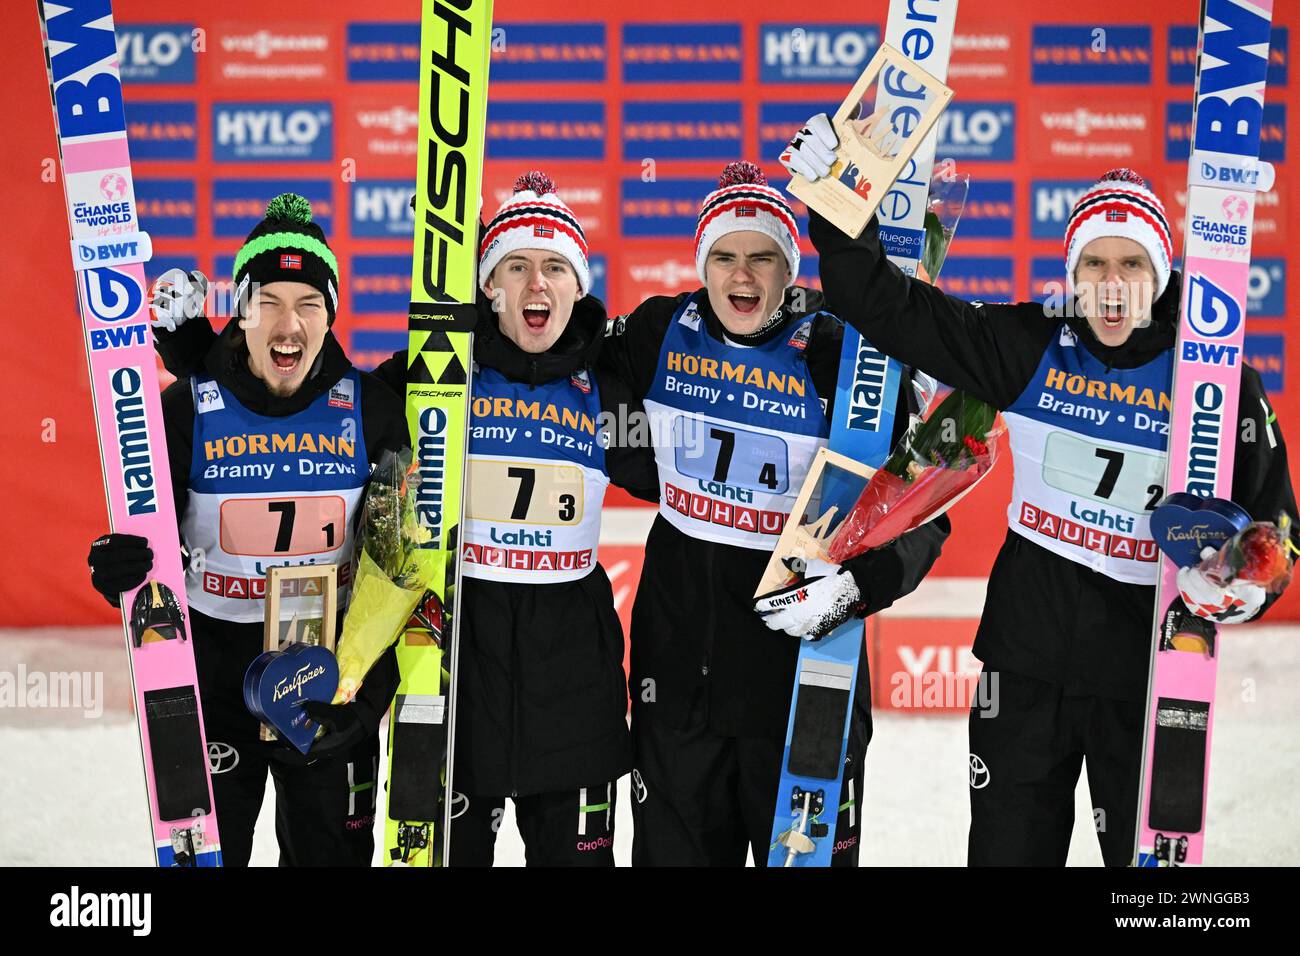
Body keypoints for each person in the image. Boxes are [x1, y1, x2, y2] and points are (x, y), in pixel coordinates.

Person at [785, 118, 1298, 866]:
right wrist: (837, 199)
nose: (1113, 286)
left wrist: (1245, 586)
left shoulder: (1214, 382)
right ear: (1073, 274)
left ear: (1159, 275)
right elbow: (886, 305)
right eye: (1094, 265)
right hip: (1024, 674)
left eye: (1131, 264)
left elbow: (1275, 529)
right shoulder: (1028, 348)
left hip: (1148, 676)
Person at [149, 173, 658, 866]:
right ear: (487, 284)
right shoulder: (426, 384)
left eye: (556, 268)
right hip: (452, 694)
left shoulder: (605, 396)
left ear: (580, 287)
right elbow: (295, 397)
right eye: (515, 265)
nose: (536, 285)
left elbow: (694, 479)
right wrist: (200, 366)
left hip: (571, 703)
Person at [599, 161, 950, 866]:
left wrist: (859, 588)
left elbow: (927, 508)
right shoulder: (659, 330)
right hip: (680, 696)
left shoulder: (841, 350)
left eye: (764, 256)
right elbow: (571, 376)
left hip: (805, 686)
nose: (744, 276)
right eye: (725, 255)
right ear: (703, 263)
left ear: (789, 264)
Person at [87, 193, 408, 866]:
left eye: (309, 304)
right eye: (267, 302)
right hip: (212, 681)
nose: (287, 323)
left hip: (326, 680)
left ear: (331, 317)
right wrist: (119, 569)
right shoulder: (185, 411)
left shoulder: (373, 411)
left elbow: (398, 564)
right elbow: (144, 547)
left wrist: (363, 700)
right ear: (241, 311)